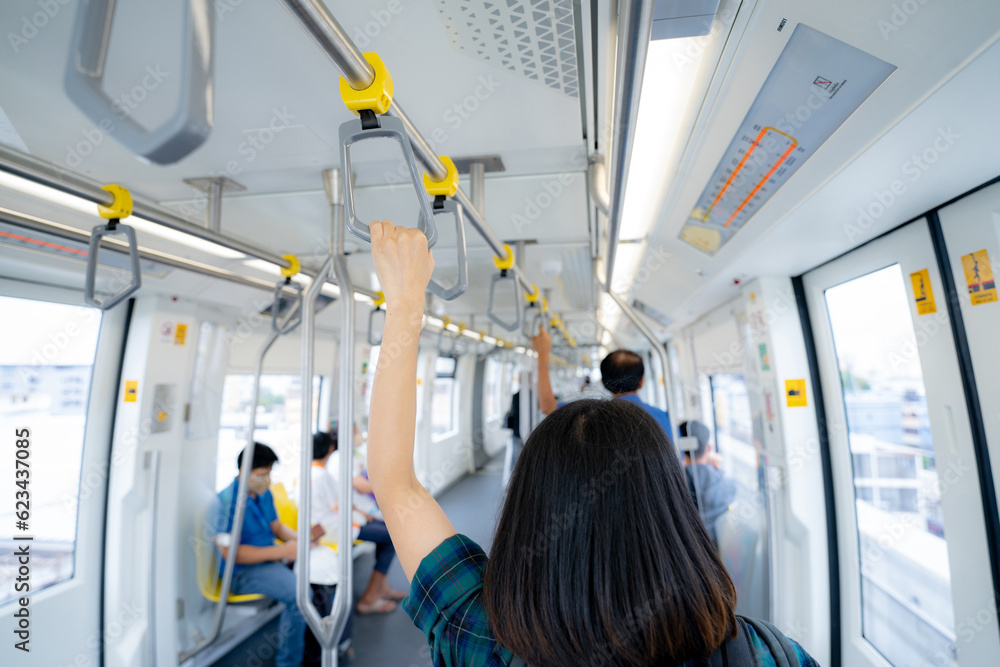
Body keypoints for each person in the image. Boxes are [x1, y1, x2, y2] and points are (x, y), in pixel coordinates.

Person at [364, 220, 819, 666]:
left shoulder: (484, 638)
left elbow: (396, 486)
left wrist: (405, 304)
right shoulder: (765, 654)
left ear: (530, 507)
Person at [214, 443, 304, 667]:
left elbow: (276, 527)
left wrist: (300, 540)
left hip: (270, 559)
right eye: (261, 474)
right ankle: (289, 662)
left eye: (269, 473)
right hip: (242, 572)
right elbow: (231, 554)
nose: (267, 479)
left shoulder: (262, 493)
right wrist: (283, 551)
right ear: (243, 471)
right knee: (300, 596)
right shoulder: (226, 502)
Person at [311, 430, 407, 615]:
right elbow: (337, 507)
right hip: (333, 528)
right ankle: (369, 598)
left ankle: (381, 587)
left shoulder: (313, 473)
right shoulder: (322, 476)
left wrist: (361, 513)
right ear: (330, 449)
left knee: (387, 531)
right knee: (392, 535)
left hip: (332, 523)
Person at [535, 334, 674, 441]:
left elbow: (548, 405)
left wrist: (542, 354)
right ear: (642, 381)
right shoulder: (664, 419)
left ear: (604, 382)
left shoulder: (589, 417)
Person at [680, 420, 738, 546]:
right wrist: (716, 468)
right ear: (709, 448)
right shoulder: (723, 484)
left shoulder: (676, 481)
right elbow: (733, 488)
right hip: (715, 555)